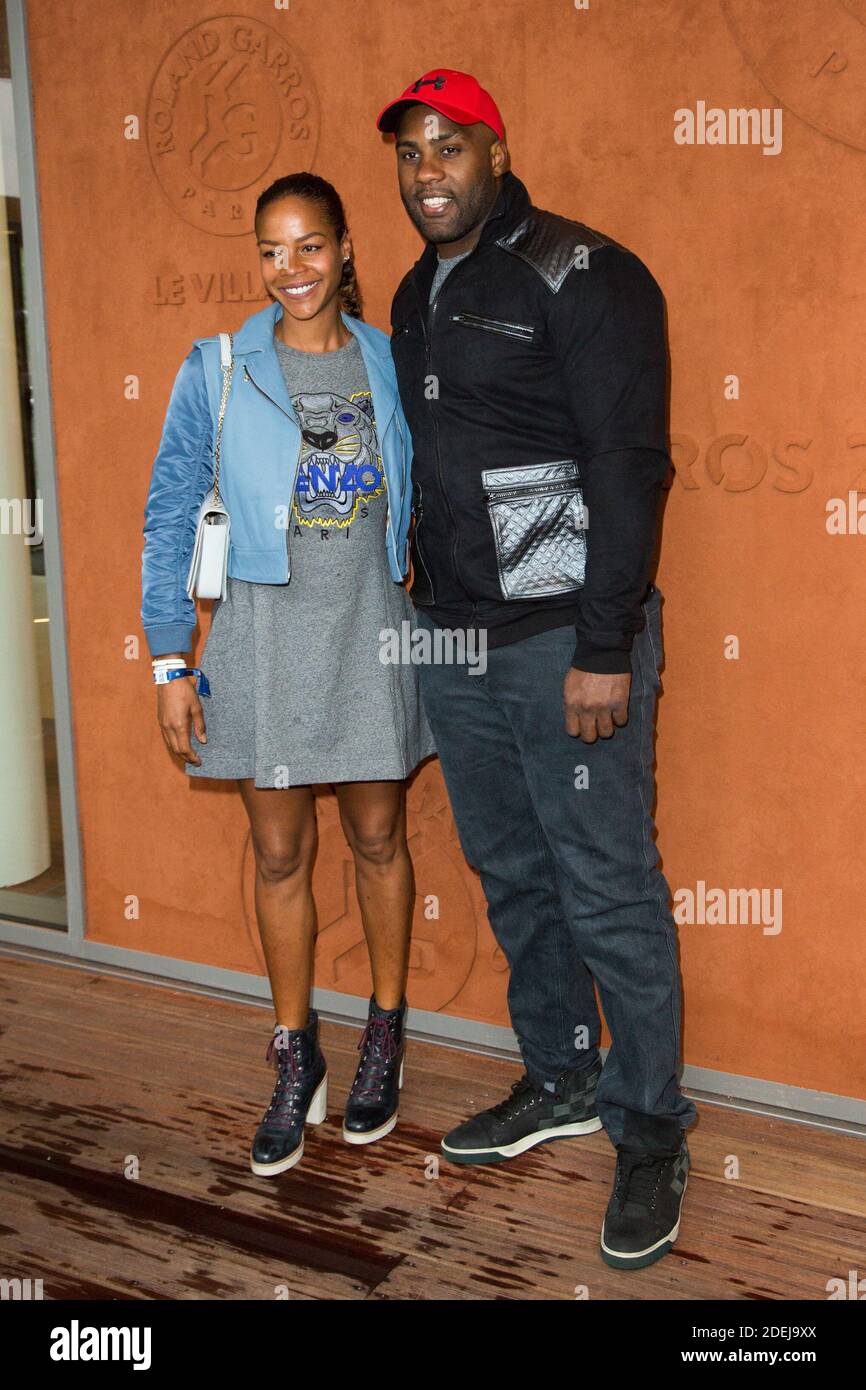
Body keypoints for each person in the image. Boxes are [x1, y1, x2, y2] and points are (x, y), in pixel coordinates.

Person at [377, 69, 698, 1269]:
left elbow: (627, 464)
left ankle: (651, 1125)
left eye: (448, 148)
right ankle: (561, 1073)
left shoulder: (582, 271)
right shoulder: (412, 296)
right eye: (410, 154)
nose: (427, 173)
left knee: (605, 884)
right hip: (454, 636)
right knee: (510, 868)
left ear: (496, 154)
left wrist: (605, 644)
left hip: (566, 638)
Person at [140, 173, 436, 1177]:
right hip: (263, 637)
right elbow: (169, 512)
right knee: (278, 857)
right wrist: (170, 658)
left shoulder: (390, 364)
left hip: (368, 631)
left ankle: (383, 1033)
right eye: (273, 249)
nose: (292, 268)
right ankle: (293, 1052)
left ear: (347, 250)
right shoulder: (216, 370)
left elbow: (427, 489)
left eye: (311, 246)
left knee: (378, 836)